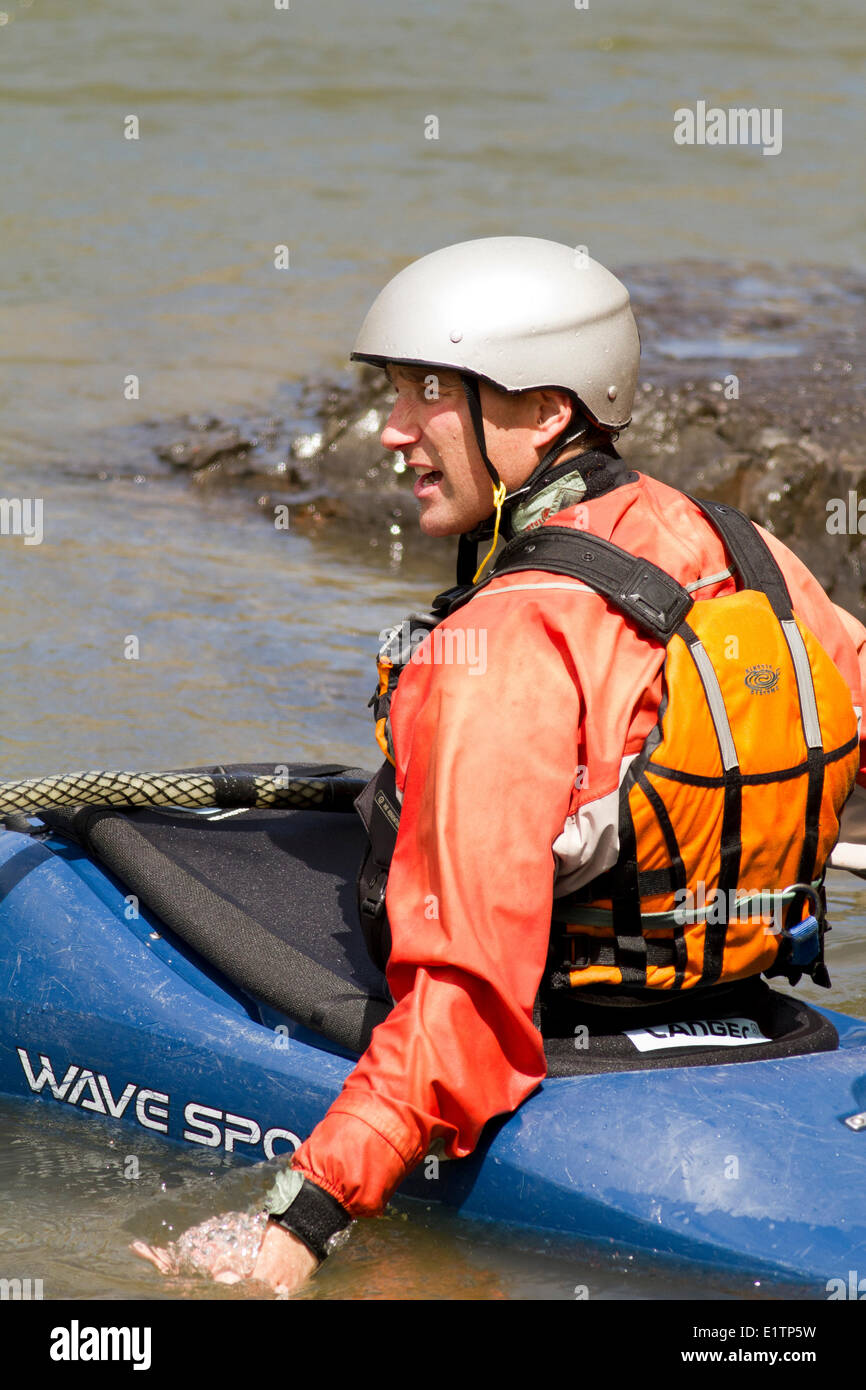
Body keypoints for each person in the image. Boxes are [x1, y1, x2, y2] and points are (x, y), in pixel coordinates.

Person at [134, 236, 866, 1294]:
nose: (388, 431)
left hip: (573, 1012)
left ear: (544, 411)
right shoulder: (742, 549)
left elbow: (467, 1009)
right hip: (740, 984)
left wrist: (292, 1224)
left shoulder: (491, 654)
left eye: (425, 396)